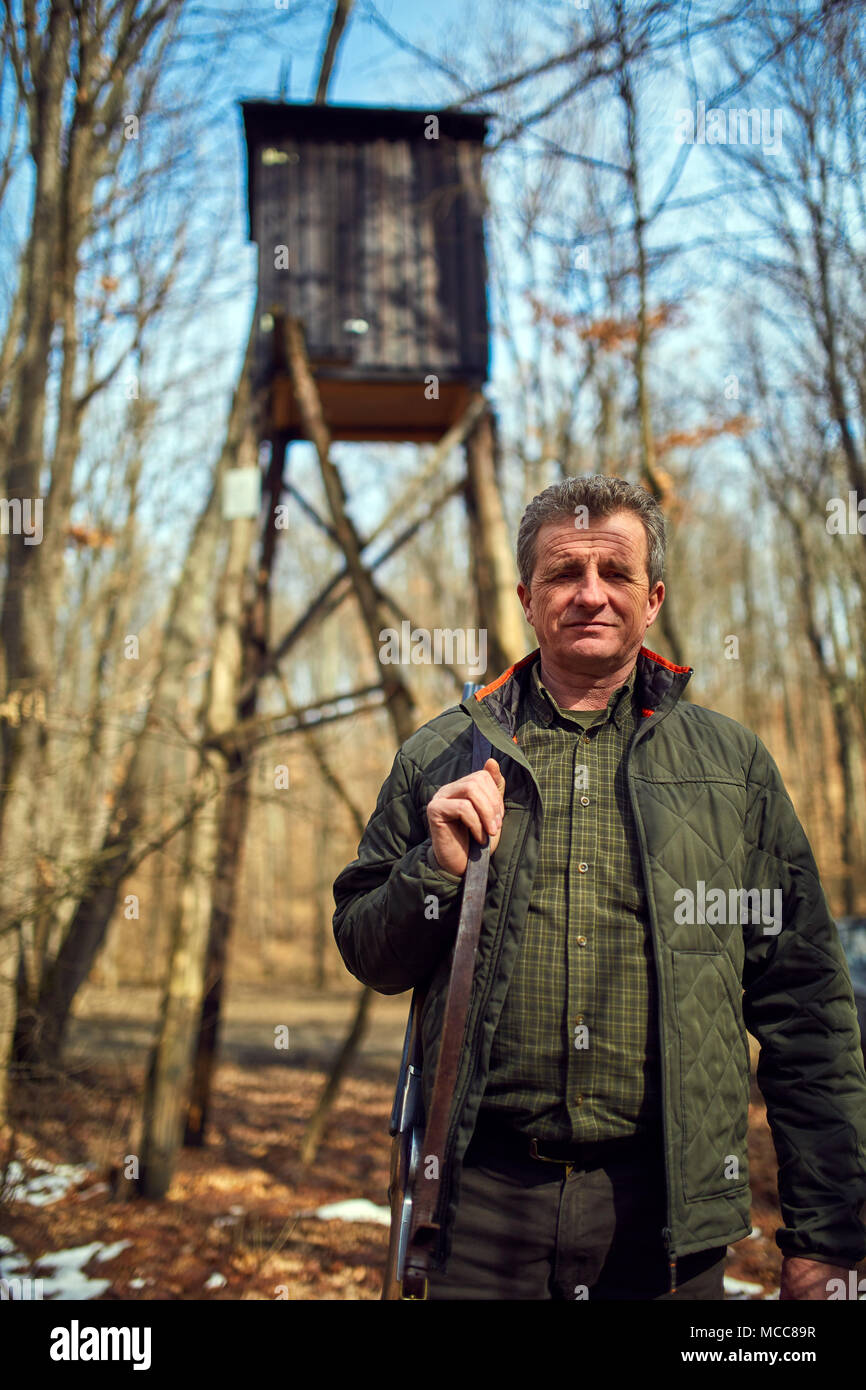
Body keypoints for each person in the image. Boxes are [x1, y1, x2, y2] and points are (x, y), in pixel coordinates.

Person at [332, 475, 866, 1300]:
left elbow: (808, 1010)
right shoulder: (441, 755)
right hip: (479, 1208)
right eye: (563, 574)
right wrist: (431, 872)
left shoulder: (733, 772)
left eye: (614, 573)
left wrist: (828, 1236)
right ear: (526, 597)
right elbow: (370, 953)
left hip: (662, 1215)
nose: (590, 594)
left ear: (651, 599)